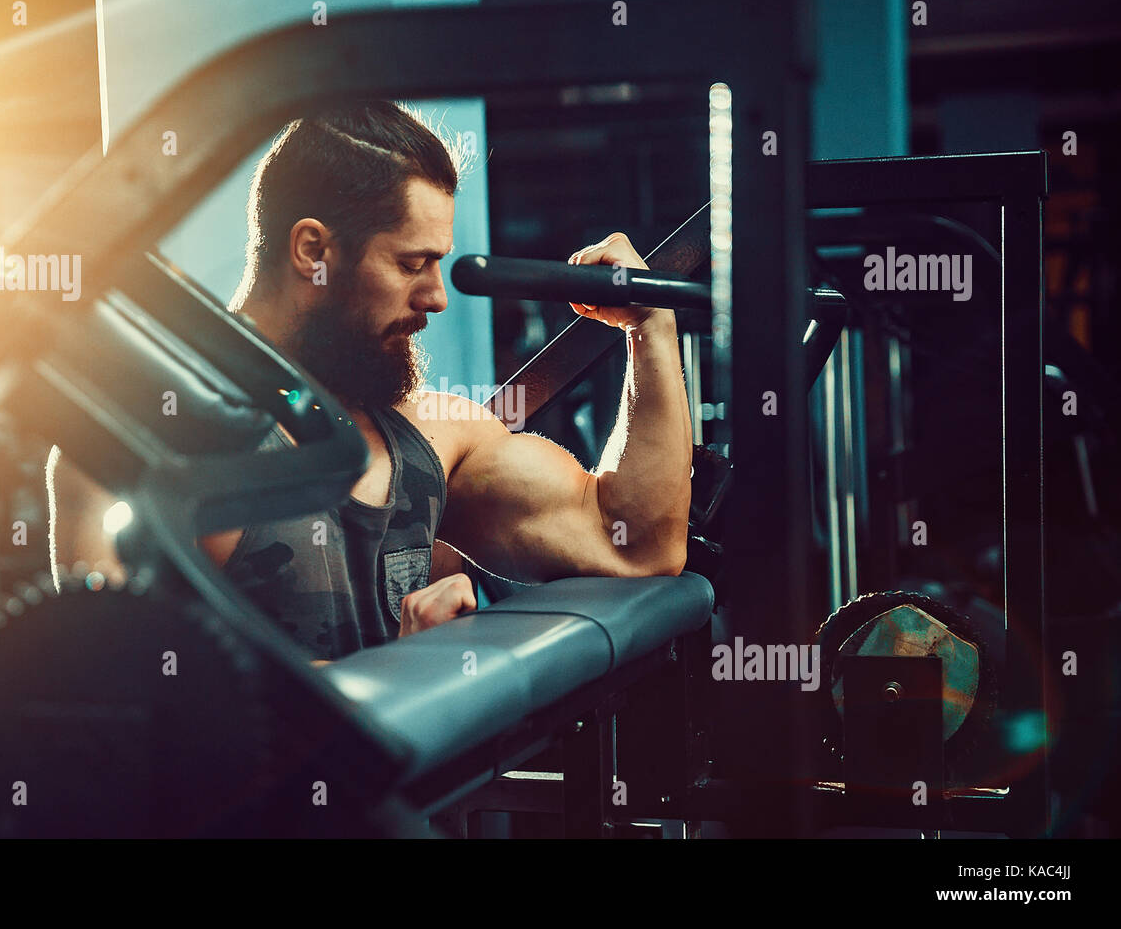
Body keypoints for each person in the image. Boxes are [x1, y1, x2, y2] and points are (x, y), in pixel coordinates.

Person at [49, 101, 693, 661]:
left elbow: (637, 548)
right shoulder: (139, 445)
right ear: (312, 252)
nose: (437, 299)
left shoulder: (435, 436)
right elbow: (141, 709)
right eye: (411, 263)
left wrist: (650, 330)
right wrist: (399, 672)